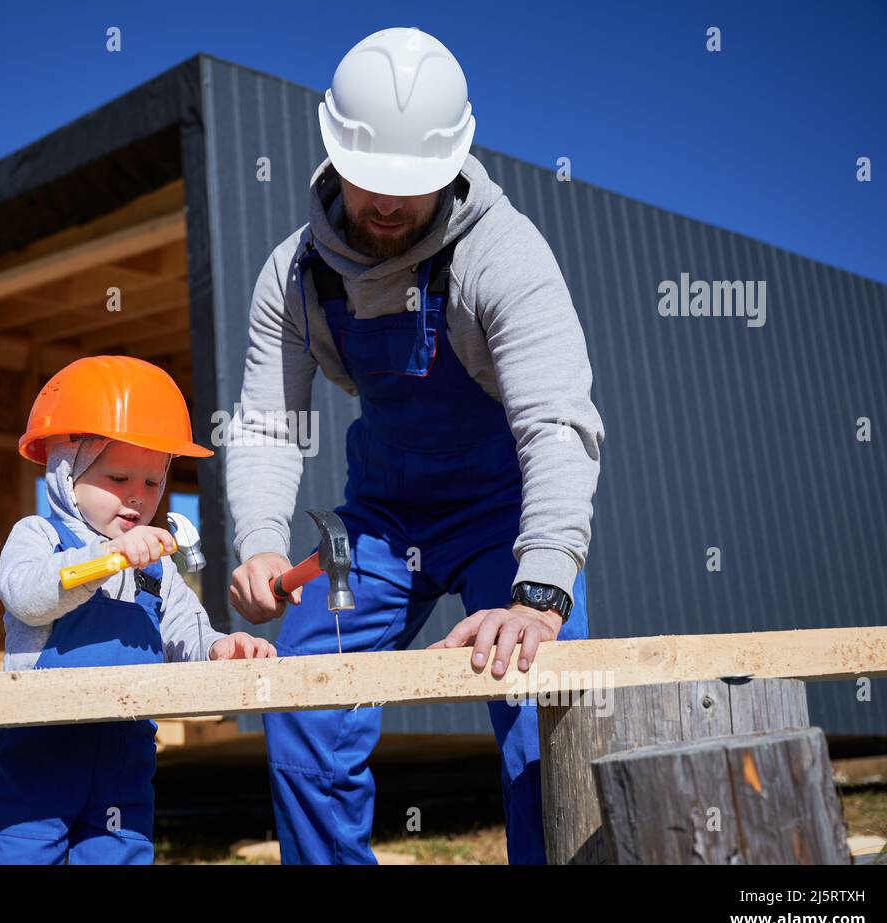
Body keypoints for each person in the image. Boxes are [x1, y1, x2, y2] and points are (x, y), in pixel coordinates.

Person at [226, 27, 605, 864]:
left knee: (538, 703)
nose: (390, 206)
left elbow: (558, 424)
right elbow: (267, 424)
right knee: (306, 688)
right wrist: (257, 542)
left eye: (414, 185)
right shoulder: (293, 276)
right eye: (373, 183)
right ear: (333, 155)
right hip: (381, 522)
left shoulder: (506, 254)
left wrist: (540, 595)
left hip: (501, 517)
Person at [0, 355, 274, 865]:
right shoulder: (39, 537)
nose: (137, 499)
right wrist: (106, 559)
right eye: (118, 478)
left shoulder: (158, 568)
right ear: (65, 471)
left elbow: (187, 634)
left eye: (153, 483)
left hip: (125, 747)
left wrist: (221, 648)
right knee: (22, 853)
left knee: (120, 852)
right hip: (42, 745)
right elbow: (27, 597)